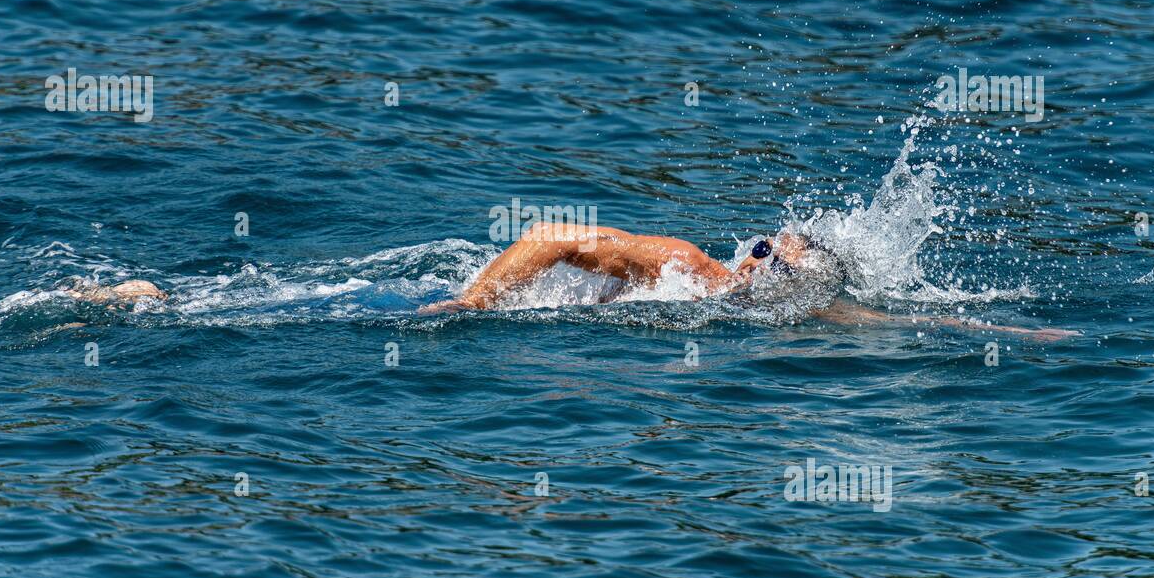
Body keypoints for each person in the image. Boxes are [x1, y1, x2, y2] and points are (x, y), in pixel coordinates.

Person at [418, 222, 1079, 340]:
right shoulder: (684, 265)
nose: (769, 268)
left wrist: (1008, 331)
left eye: (785, 267)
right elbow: (545, 237)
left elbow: (916, 323)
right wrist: (472, 302)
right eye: (766, 251)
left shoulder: (798, 314)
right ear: (751, 255)